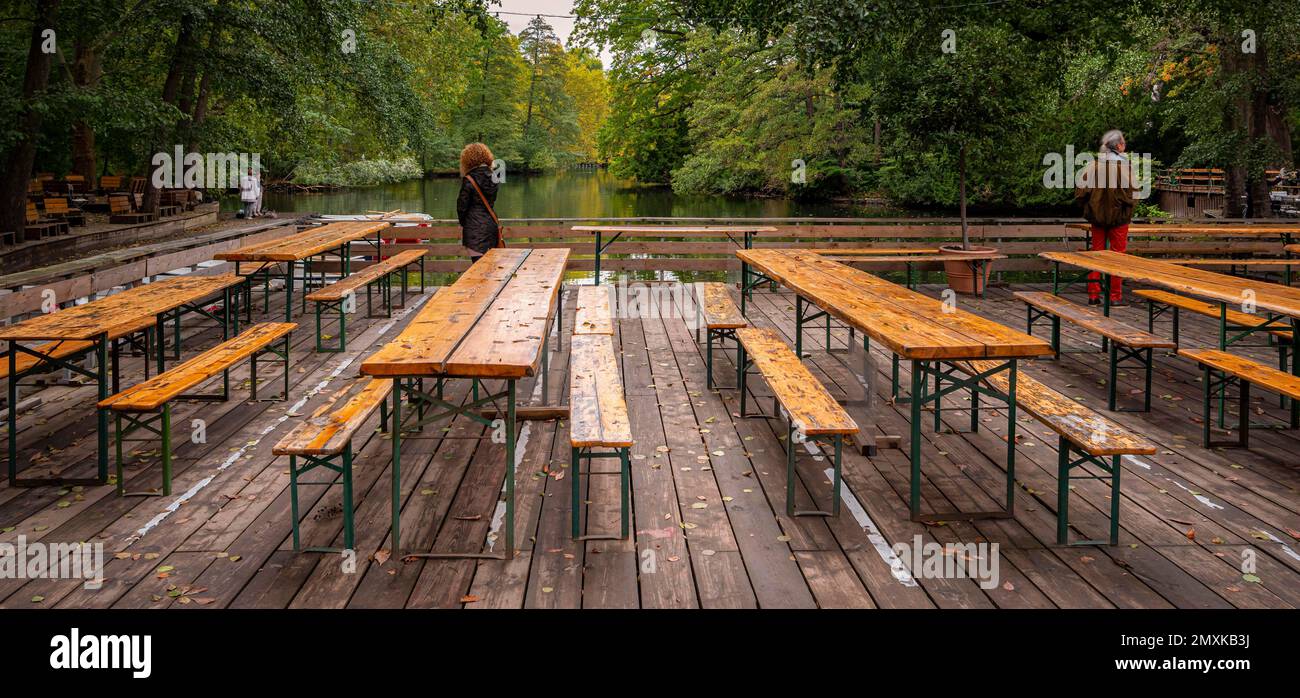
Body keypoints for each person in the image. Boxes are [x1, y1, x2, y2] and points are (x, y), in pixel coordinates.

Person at [1075, 129, 1140, 305]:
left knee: (1096, 253)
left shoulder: (1092, 166)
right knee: (1118, 256)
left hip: (1097, 219)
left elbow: (1080, 193)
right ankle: (1115, 297)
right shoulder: (1125, 168)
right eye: (1123, 142)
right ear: (1119, 146)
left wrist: (1090, 209)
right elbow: (1133, 195)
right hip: (1119, 220)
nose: (1125, 145)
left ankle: (1093, 295)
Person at [456, 143, 501, 263]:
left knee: (478, 266)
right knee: (490, 267)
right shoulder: (495, 177)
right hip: (491, 226)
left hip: (474, 230)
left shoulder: (469, 179)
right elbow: (491, 201)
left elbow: (462, 207)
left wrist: (464, 223)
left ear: (468, 160)